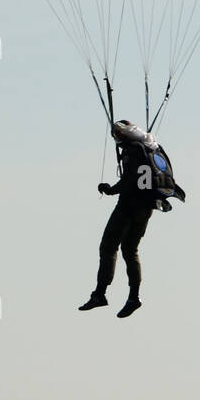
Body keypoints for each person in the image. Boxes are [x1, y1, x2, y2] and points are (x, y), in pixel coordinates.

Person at [79, 120, 158, 318]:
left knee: (108, 247)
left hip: (128, 206)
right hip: (146, 207)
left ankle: (100, 294)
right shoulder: (150, 147)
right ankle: (134, 297)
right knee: (130, 250)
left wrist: (110, 190)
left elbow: (129, 179)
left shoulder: (131, 150)